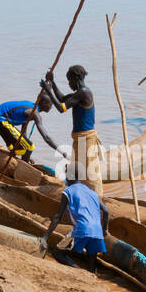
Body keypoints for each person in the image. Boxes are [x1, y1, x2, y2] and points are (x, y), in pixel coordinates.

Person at [40, 65, 103, 195]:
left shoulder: (84, 92)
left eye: (70, 81)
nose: (69, 84)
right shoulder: (79, 93)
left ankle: (96, 198)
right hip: (79, 138)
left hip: (86, 138)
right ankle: (79, 195)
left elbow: (61, 108)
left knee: (89, 172)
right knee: (78, 170)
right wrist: (53, 83)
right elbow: (63, 99)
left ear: (76, 78)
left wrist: (48, 90)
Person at [39, 178, 109, 274]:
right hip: (97, 231)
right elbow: (106, 211)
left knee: (57, 252)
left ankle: (80, 272)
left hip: (82, 229)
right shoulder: (92, 192)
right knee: (91, 263)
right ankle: (91, 276)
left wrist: (45, 237)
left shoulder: (68, 191)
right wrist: (104, 230)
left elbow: (57, 216)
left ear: (68, 177)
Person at [0, 94, 60, 162]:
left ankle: (12, 163)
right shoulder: (34, 113)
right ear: (44, 103)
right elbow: (46, 137)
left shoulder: (31, 107)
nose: (51, 107)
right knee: (30, 147)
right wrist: (59, 150)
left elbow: (23, 130)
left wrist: (26, 155)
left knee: (16, 146)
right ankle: (22, 169)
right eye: (50, 104)